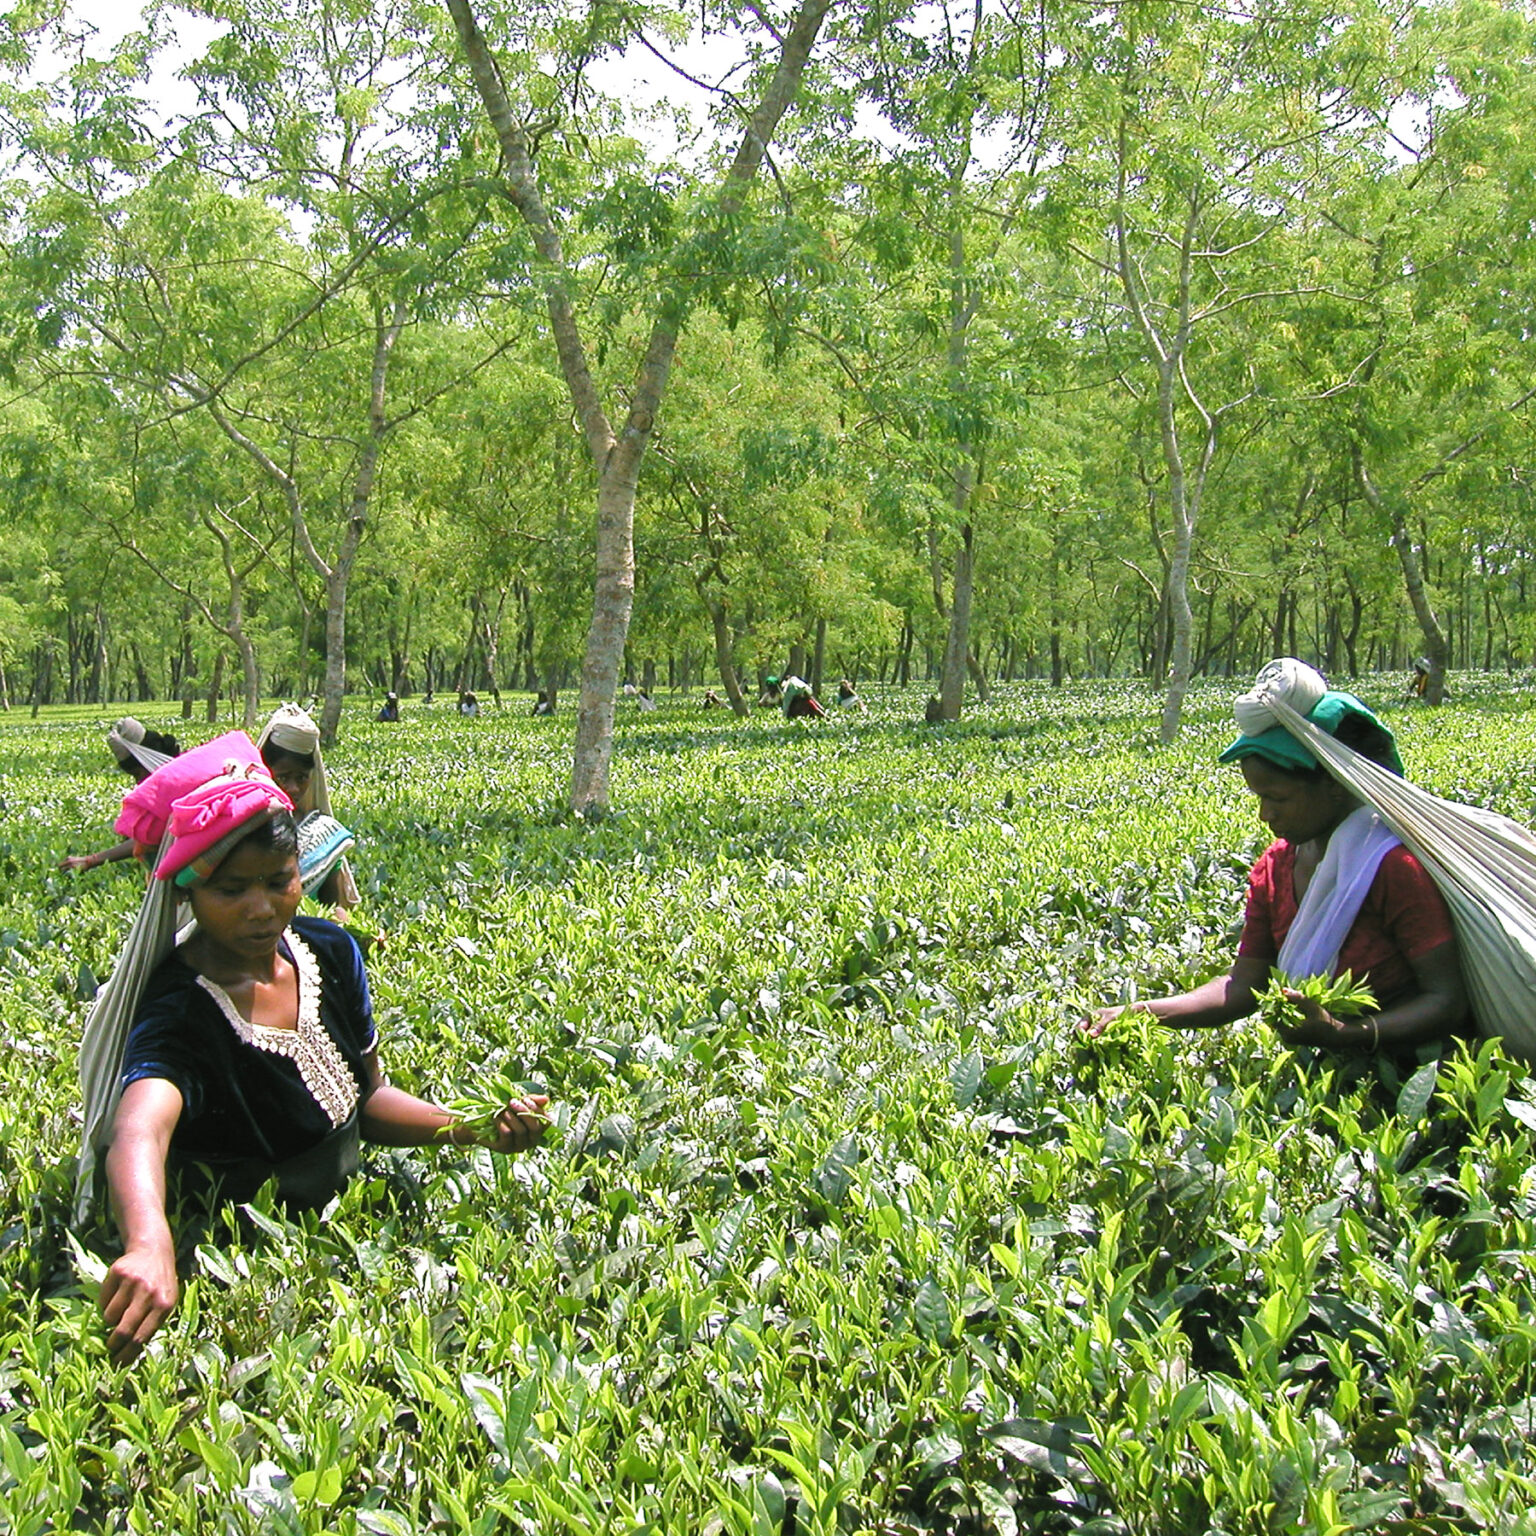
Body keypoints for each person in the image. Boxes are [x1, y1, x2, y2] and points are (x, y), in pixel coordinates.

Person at [93, 744, 551, 1363]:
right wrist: (150, 1242)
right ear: (188, 895)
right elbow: (139, 1129)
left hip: (351, 1224)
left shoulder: (329, 949)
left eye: (278, 882)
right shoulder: (182, 1004)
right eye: (231, 890)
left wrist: (472, 1126)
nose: (262, 908)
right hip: (245, 1252)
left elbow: (368, 1101)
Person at [1084, 660, 1467, 1054]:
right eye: (1259, 797)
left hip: (1409, 1072)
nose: (1265, 814)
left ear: (1335, 784)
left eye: (1277, 798)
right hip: (1319, 1076)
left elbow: (1446, 1001)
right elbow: (1245, 984)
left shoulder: (1392, 867)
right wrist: (1140, 1011)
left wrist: (1345, 1034)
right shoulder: (1275, 867)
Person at [256, 704, 359, 921]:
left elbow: (331, 907)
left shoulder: (323, 833)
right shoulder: (247, 827)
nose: (293, 788)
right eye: (283, 777)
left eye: (301, 778)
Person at [59, 720, 182, 874]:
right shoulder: (174, 773)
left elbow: (151, 836)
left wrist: (91, 860)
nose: (138, 782)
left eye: (137, 774)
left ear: (147, 761)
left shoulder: (176, 782)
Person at [758, 673, 826, 720]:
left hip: (800, 703)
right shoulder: (767, 695)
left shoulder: (788, 689)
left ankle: (825, 717)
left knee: (813, 711)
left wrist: (784, 716)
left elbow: (786, 704)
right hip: (802, 701)